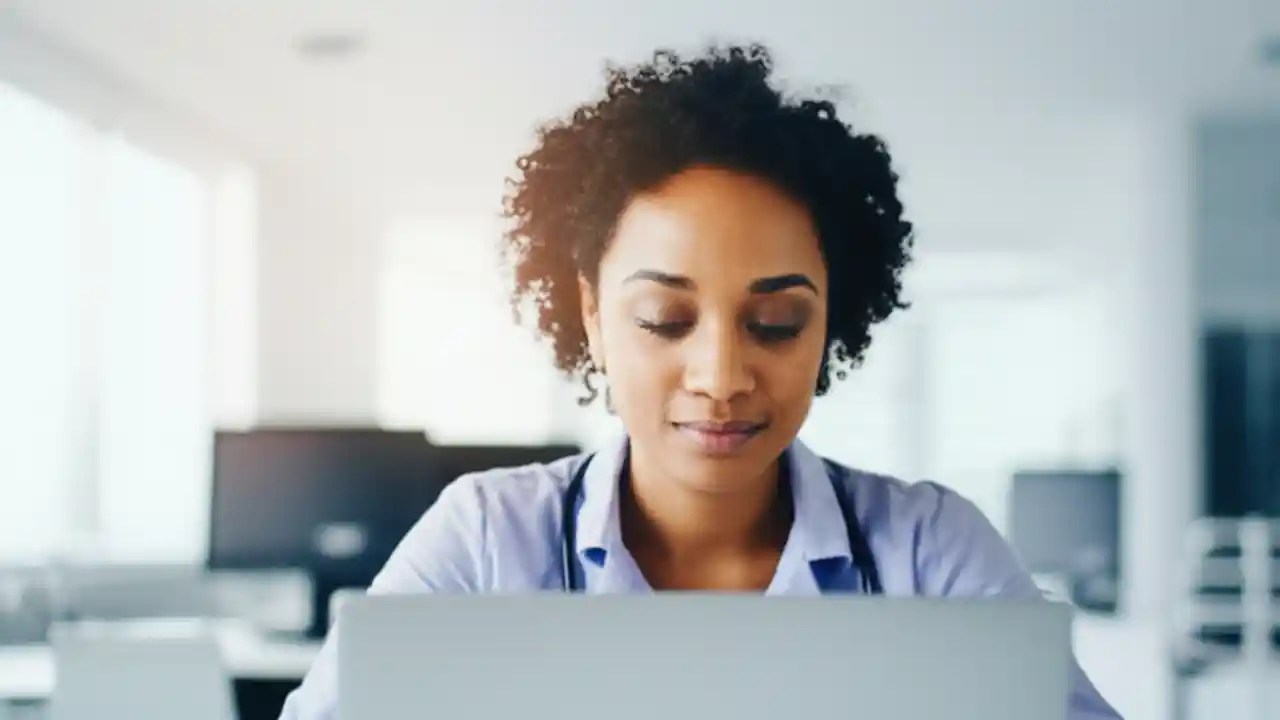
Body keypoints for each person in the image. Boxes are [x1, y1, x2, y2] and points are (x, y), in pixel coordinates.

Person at [281, 44, 1119, 719]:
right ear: (593, 316)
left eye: (776, 323)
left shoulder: (929, 551)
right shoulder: (487, 540)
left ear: (831, 323)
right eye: (663, 318)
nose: (721, 377)